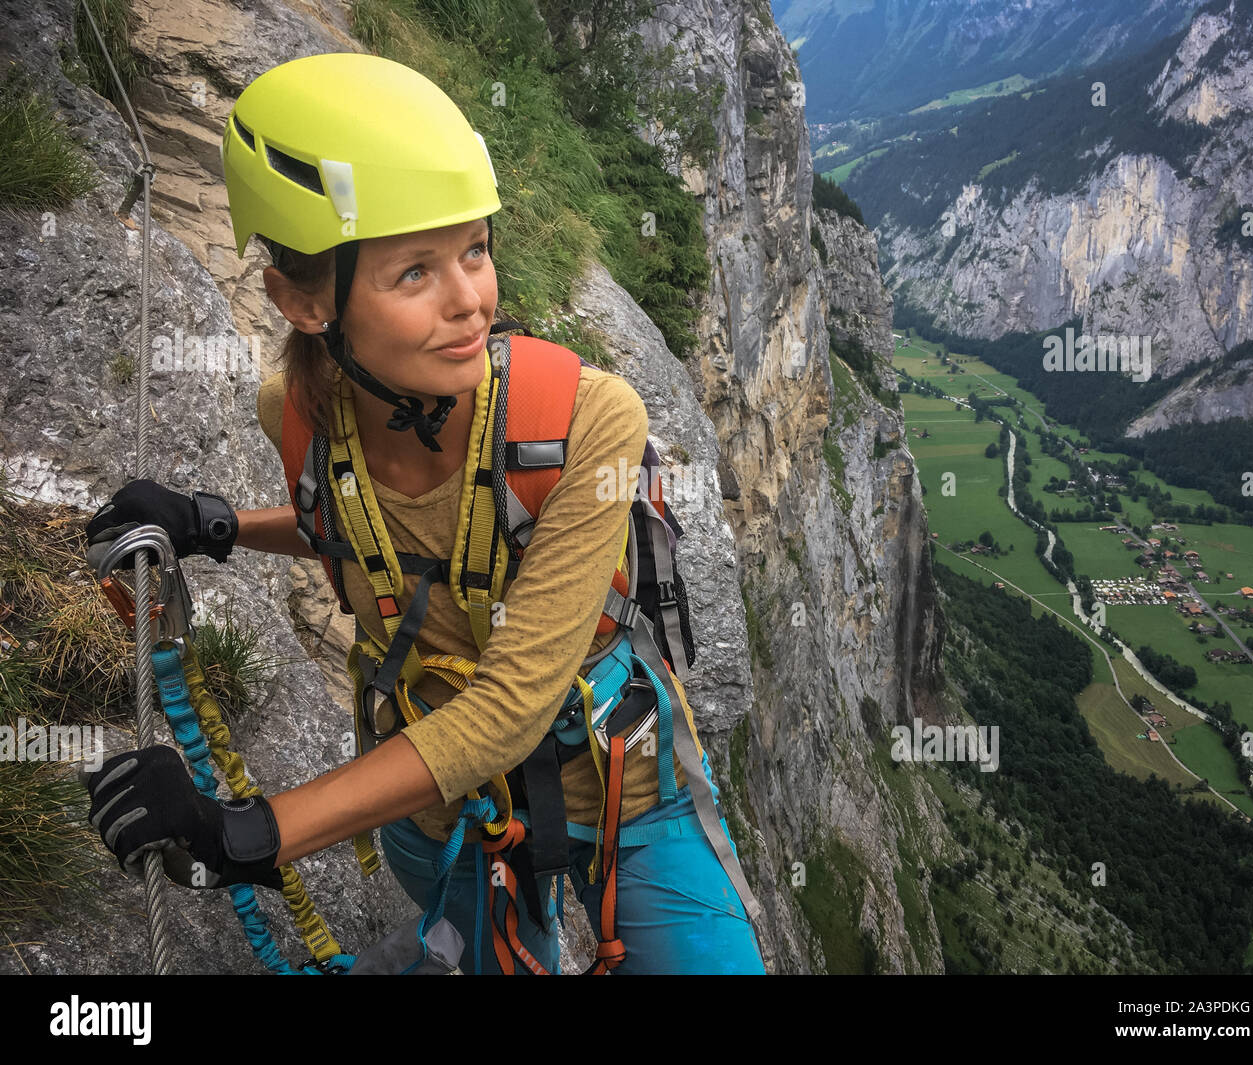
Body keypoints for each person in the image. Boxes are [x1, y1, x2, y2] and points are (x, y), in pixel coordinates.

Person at [82, 52, 764, 975]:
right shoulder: (297, 414)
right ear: (302, 300)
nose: (471, 301)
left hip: (624, 792)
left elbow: (513, 704)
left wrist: (252, 829)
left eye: (474, 250)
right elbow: (361, 532)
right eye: (414, 273)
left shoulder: (585, 421)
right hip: (437, 812)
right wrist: (217, 523)